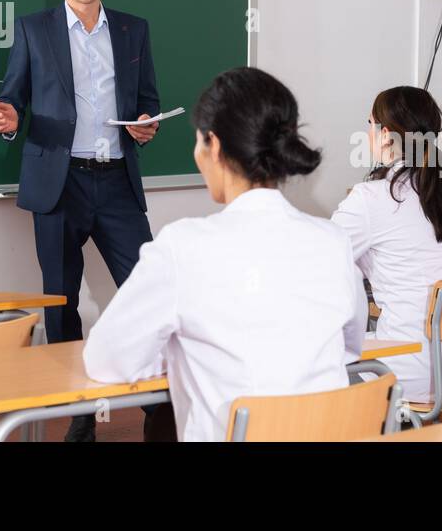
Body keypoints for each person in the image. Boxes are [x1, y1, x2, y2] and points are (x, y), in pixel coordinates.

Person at [83, 67, 366, 441]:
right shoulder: (333, 241)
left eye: (198, 141)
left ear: (213, 146)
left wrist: (175, 352)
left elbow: (106, 360)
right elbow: (350, 345)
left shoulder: (182, 246)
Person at [0, 0, 162, 441]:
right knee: (61, 303)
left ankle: (156, 406)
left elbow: (147, 100)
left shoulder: (133, 30)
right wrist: (10, 119)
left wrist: (147, 125)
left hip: (118, 184)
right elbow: (12, 99)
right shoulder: (33, 30)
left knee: (147, 293)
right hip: (60, 185)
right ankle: (80, 415)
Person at [331, 86, 442, 403]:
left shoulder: (370, 198)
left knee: (313, 357)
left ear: (385, 134)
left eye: (370, 123)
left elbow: (321, 264)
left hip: (407, 370)